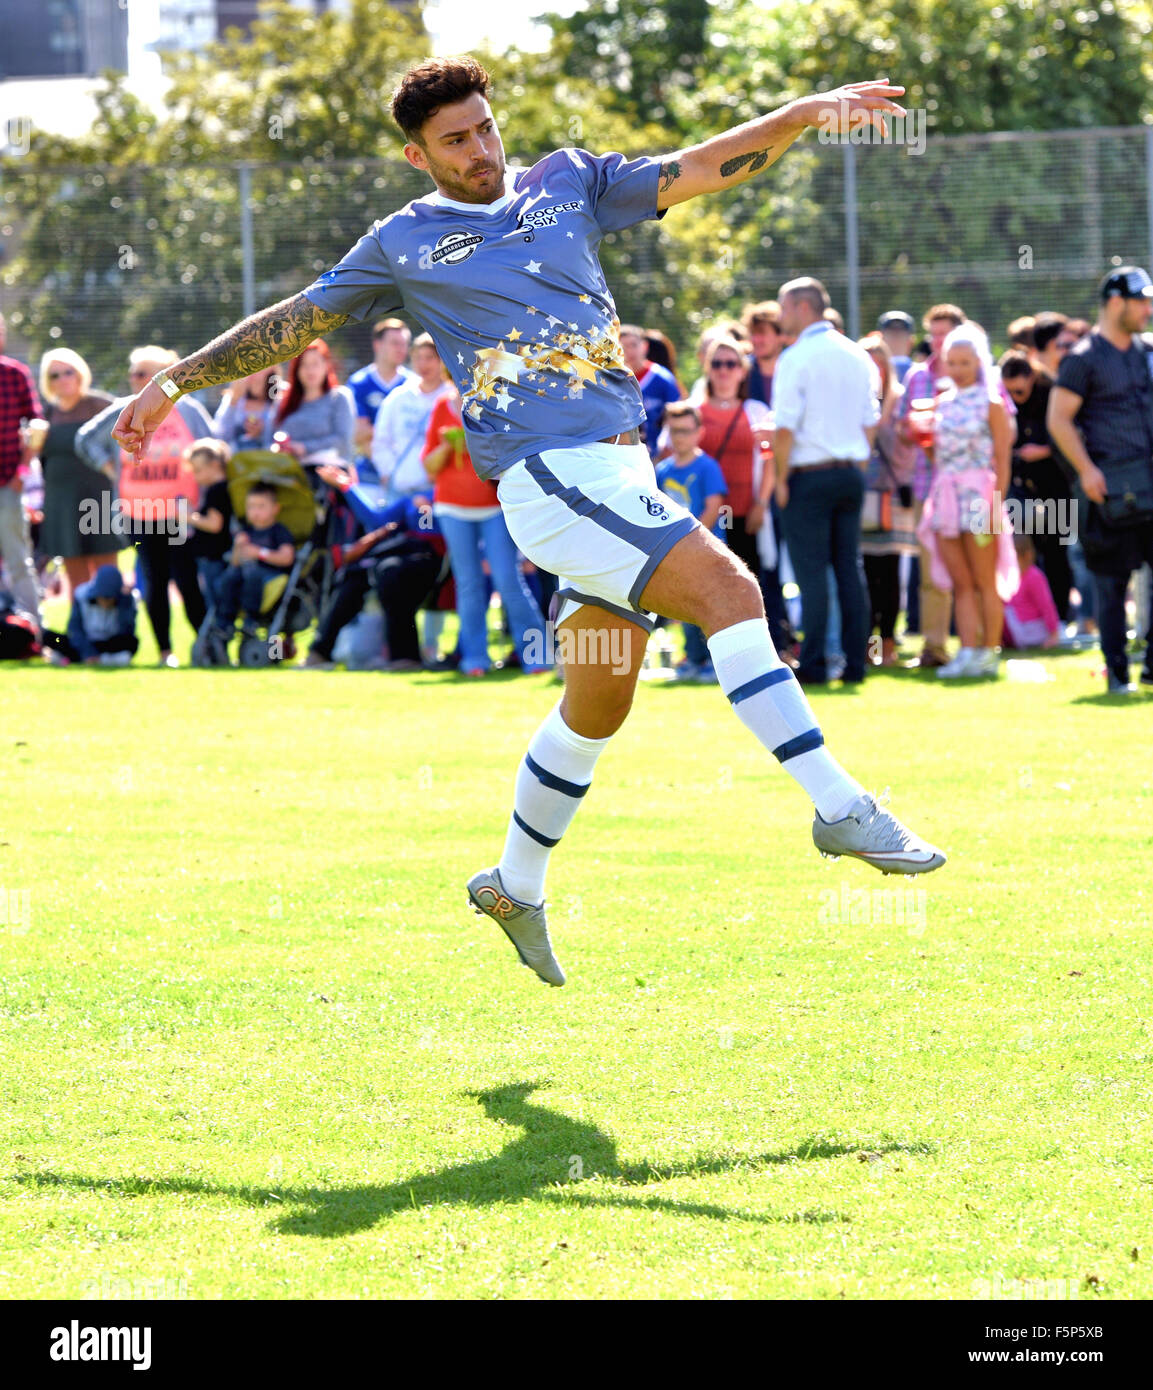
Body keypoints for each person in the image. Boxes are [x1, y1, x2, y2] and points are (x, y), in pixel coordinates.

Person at [112, 57, 945, 989]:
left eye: (484, 127)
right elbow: (294, 323)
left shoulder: (568, 180)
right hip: (551, 481)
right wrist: (173, 377)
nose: (479, 150)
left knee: (597, 706)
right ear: (415, 153)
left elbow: (704, 166)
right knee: (731, 590)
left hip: (615, 470)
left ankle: (513, 882)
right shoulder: (402, 241)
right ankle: (838, 806)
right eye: (454, 140)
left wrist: (800, 114)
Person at [1047, 266, 1153, 692]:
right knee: (1112, 585)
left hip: (1150, 481)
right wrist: (1087, 469)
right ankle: (1118, 674)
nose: (1148, 308)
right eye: (1141, 300)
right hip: (1110, 489)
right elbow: (1059, 419)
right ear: (1115, 302)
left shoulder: (1146, 351)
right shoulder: (1084, 357)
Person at [76, 346, 213, 666]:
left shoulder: (189, 409)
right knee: (153, 580)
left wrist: (204, 495)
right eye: (134, 373)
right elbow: (85, 440)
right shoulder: (124, 408)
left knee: (188, 579)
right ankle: (165, 652)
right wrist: (111, 467)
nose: (136, 379)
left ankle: (206, 647)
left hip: (182, 512)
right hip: (138, 512)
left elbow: (213, 447)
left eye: (144, 373)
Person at [772, 277, 877, 685]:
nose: (781, 316)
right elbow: (871, 421)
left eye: (784, 307)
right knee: (849, 568)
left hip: (808, 476)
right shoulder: (856, 354)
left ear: (801, 307)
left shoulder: (796, 357)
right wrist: (856, 463)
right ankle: (855, 663)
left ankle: (814, 663)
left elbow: (785, 429)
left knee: (812, 571)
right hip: (850, 472)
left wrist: (780, 477)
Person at [419, 372, 548, 676]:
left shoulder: (497, 403)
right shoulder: (440, 407)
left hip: (494, 507)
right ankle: (474, 660)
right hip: (451, 507)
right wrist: (451, 444)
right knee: (469, 585)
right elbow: (429, 468)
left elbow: (512, 455)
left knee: (507, 579)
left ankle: (536, 657)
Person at [917, 323, 1016, 679]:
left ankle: (989, 652)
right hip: (946, 496)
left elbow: (1004, 458)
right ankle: (968, 650)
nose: (957, 369)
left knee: (984, 580)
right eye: (952, 362)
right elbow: (936, 455)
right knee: (960, 582)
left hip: (979, 496)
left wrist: (995, 504)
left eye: (964, 362)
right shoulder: (941, 402)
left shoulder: (992, 403)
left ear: (979, 362)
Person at [312, 463, 447, 671]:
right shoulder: (411, 499)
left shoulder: (448, 495)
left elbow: (434, 531)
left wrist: (429, 513)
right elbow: (376, 520)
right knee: (356, 574)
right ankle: (321, 651)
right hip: (399, 554)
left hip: (432, 559)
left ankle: (405, 657)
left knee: (391, 574)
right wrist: (347, 486)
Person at [895, 303, 967, 668]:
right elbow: (902, 430)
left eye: (946, 333)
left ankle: (978, 646)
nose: (938, 342)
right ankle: (935, 649)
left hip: (972, 490)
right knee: (931, 573)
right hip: (928, 488)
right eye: (934, 334)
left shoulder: (978, 374)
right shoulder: (917, 377)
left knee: (973, 570)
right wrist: (912, 429)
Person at [33, 348, 121, 593]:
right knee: (76, 579)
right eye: (54, 375)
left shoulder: (102, 405)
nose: (62, 379)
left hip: (98, 499)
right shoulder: (45, 414)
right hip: (61, 502)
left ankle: (114, 630)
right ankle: (81, 630)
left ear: (79, 373)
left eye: (68, 372)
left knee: (107, 575)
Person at [655, 400, 728, 682]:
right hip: (675, 553)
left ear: (699, 432)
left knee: (710, 608)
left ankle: (714, 662)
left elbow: (714, 507)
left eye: (685, 430)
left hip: (705, 550)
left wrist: (690, 539)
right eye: (674, 431)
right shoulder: (663, 470)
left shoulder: (707, 467)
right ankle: (693, 659)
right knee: (685, 609)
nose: (680, 437)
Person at [998, 349, 1072, 621]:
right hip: (1020, 486)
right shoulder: (1003, 399)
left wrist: (1045, 450)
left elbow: (1073, 431)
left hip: (1055, 485)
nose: (1015, 399)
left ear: (1031, 378)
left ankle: (1060, 618)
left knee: (1056, 554)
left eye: (1019, 392)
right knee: (1022, 552)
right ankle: (1023, 619)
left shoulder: (1053, 391)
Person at [858, 334, 917, 666]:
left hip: (892, 495)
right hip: (861, 494)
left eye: (876, 361)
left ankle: (889, 645)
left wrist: (880, 425)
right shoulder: (851, 400)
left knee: (890, 572)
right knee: (865, 572)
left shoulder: (900, 398)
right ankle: (869, 647)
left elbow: (906, 452)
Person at [695, 335, 773, 588]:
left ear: (742, 370)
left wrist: (761, 504)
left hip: (745, 513)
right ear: (708, 368)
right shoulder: (694, 410)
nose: (724, 370)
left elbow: (770, 460)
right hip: (704, 515)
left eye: (731, 363)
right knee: (709, 583)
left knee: (747, 583)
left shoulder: (756, 411)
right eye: (717, 363)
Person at [202, 481, 295, 662]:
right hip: (243, 577)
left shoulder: (279, 531)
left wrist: (259, 553)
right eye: (251, 506)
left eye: (261, 506)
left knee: (252, 574)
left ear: (275, 508)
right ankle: (225, 622)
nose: (256, 511)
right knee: (229, 576)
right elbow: (236, 562)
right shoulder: (246, 532)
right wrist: (238, 547)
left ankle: (251, 619)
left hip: (269, 576)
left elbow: (287, 557)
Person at [0, 314, 43, 625]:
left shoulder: (15, 374)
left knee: (19, 559)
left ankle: (33, 632)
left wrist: (22, 473)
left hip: (8, 485)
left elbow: (38, 426)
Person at [370, 331, 446, 499]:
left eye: (429, 357)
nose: (423, 364)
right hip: (399, 489)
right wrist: (391, 473)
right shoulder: (399, 396)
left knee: (426, 526)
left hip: (437, 491)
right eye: (418, 357)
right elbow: (381, 440)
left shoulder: (452, 397)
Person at [267, 340, 355, 462]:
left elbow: (342, 440)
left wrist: (304, 448)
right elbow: (268, 438)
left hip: (327, 473)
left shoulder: (339, 398)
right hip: (286, 471)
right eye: (304, 365)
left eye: (315, 364)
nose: (310, 370)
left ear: (326, 365)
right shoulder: (283, 400)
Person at [348, 317, 413, 479]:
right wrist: (386, 469)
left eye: (404, 344)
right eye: (395, 343)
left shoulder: (414, 384)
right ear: (377, 345)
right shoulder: (359, 383)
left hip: (408, 473)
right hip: (367, 473)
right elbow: (358, 434)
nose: (401, 349)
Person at [52, 562, 139, 666]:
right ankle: (101, 660)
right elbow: (74, 628)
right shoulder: (81, 594)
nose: (106, 603)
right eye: (103, 598)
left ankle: (78, 659)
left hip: (110, 644)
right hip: (86, 642)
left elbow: (127, 630)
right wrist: (88, 652)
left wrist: (124, 604)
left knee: (131, 642)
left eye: (110, 598)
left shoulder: (127, 601)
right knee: (53, 638)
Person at [185, 438, 233, 623]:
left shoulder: (217, 490)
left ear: (214, 465)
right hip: (214, 555)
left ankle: (219, 638)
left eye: (198, 470)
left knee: (217, 604)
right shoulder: (220, 488)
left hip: (214, 555)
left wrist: (187, 516)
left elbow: (214, 524)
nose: (196, 476)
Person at [620, 324, 681, 456]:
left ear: (645, 346)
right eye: (623, 347)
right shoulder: (612, 380)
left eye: (633, 345)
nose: (629, 351)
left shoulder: (662, 379)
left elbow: (678, 416)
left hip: (659, 455)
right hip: (625, 454)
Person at [1003, 534, 1059, 650]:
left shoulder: (1034, 576)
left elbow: (1046, 606)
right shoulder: (1008, 576)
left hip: (1031, 629)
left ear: (1027, 555)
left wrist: (1054, 633)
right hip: (1015, 627)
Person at [212, 368, 281, 453]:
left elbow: (282, 439)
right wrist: (233, 401)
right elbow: (219, 436)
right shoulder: (233, 399)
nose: (253, 374)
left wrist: (261, 434)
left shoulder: (279, 400)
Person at [742, 300, 786, 405]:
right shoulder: (740, 372)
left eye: (762, 333)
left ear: (780, 335)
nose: (756, 340)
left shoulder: (795, 369)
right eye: (753, 333)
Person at [877, 310, 915, 385]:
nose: (896, 340)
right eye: (891, 334)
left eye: (901, 334)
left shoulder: (922, 373)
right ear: (880, 340)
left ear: (911, 341)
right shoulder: (872, 373)